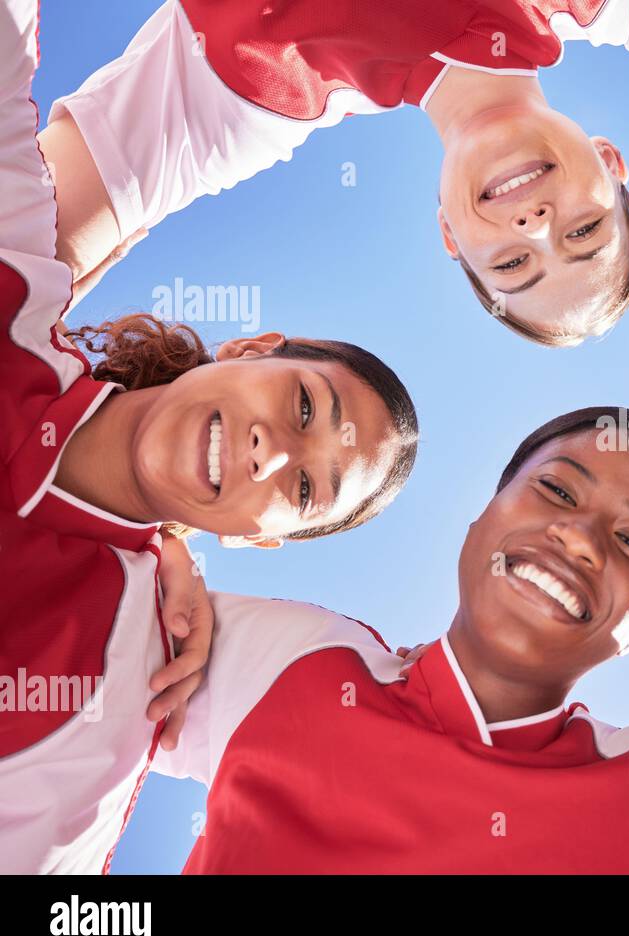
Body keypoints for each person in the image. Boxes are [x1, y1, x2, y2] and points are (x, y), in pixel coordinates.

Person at [0, 0, 419, 872]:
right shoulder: (15, 276)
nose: (278, 451)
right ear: (249, 348)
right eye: (306, 406)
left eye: (306, 489)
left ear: (260, 536)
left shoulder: (116, 689)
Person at [154, 407, 629, 873]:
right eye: (558, 491)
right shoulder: (298, 658)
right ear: (480, 520)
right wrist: (152, 548)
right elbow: (69, 618)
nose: (580, 537)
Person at [42, 0, 629, 347]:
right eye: (584, 230)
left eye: (513, 262)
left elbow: (31, 252)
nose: (536, 226)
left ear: (448, 230)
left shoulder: (260, 91)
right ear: (611, 163)